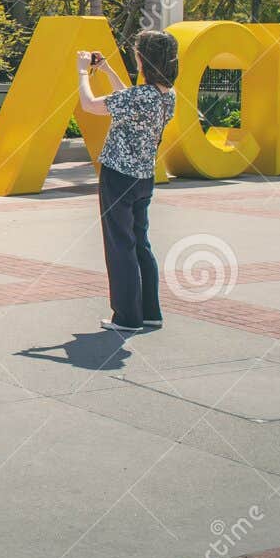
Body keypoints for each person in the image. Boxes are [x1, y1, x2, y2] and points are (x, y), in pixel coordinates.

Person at [76, 30, 179, 334]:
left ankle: (126, 317)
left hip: (118, 177)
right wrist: (108, 71)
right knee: (140, 243)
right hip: (143, 178)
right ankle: (149, 312)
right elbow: (127, 99)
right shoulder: (166, 95)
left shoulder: (139, 97)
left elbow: (90, 105)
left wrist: (82, 72)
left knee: (120, 245)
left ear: (144, 59)